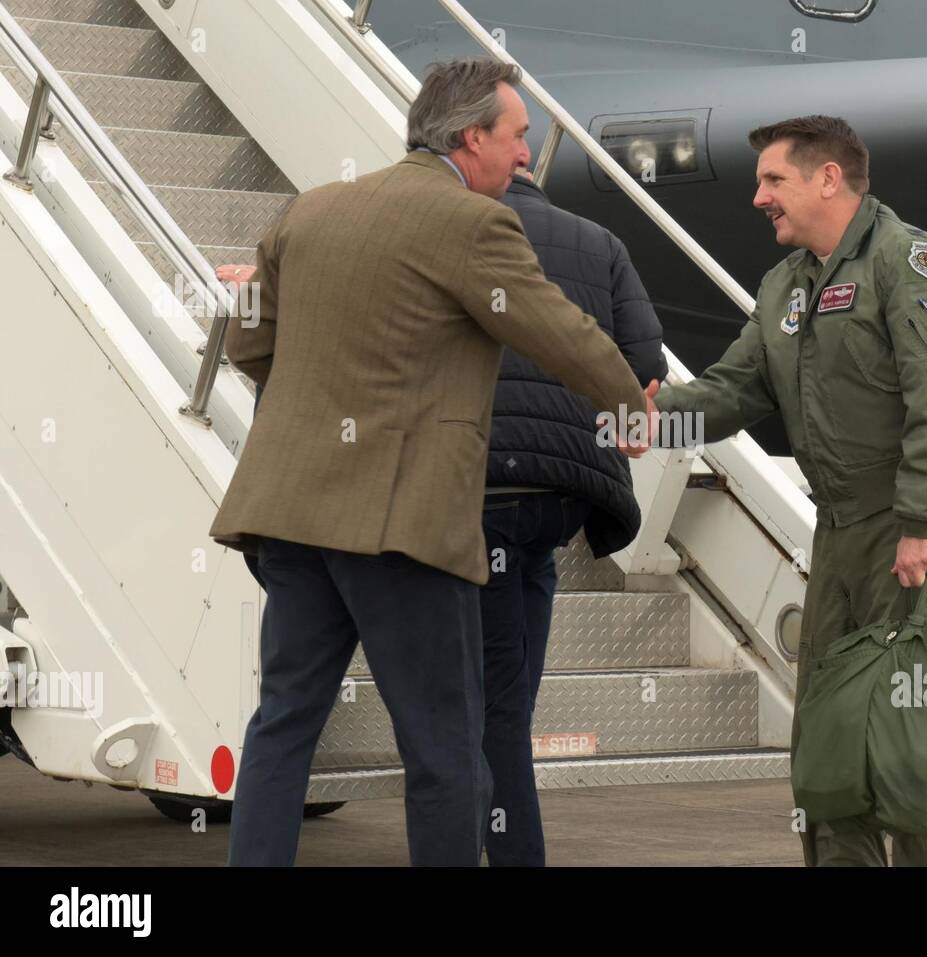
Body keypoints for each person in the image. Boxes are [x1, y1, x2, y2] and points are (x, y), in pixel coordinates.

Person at [208, 57, 658, 866]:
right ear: (472, 137)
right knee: (445, 748)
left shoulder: (312, 208)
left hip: (291, 516)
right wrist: (627, 404)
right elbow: (560, 330)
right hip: (399, 527)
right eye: (517, 136)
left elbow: (247, 340)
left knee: (281, 727)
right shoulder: (474, 224)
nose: (525, 154)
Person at [652, 115, 927, 867]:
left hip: (924, 519)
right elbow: (733, 390)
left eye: (773, 180)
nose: (759, 198)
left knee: (917, 735)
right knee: (828, 736)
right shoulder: (787, 285)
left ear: (829, 179)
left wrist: (921, 522)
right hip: (842, 524)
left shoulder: (910, 263)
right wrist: (648, 416)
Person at [480, 168, 667, 866]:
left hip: (480, 490)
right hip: (561, 496)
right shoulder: (598, 240)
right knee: (511, 689)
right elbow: (644, 362)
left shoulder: (456, 227)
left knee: (492, 706)